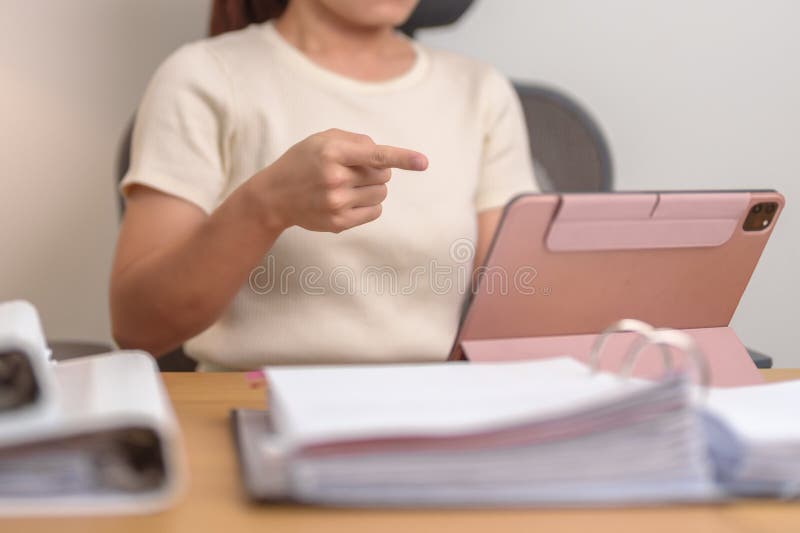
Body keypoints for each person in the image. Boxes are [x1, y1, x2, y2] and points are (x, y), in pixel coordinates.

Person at [110, 0, 536, 370]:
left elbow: (519, 305)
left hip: (427, 409)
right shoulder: (205, 76)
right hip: (252, 401)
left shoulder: (480, 91)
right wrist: (264, 207)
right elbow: (138, 328)